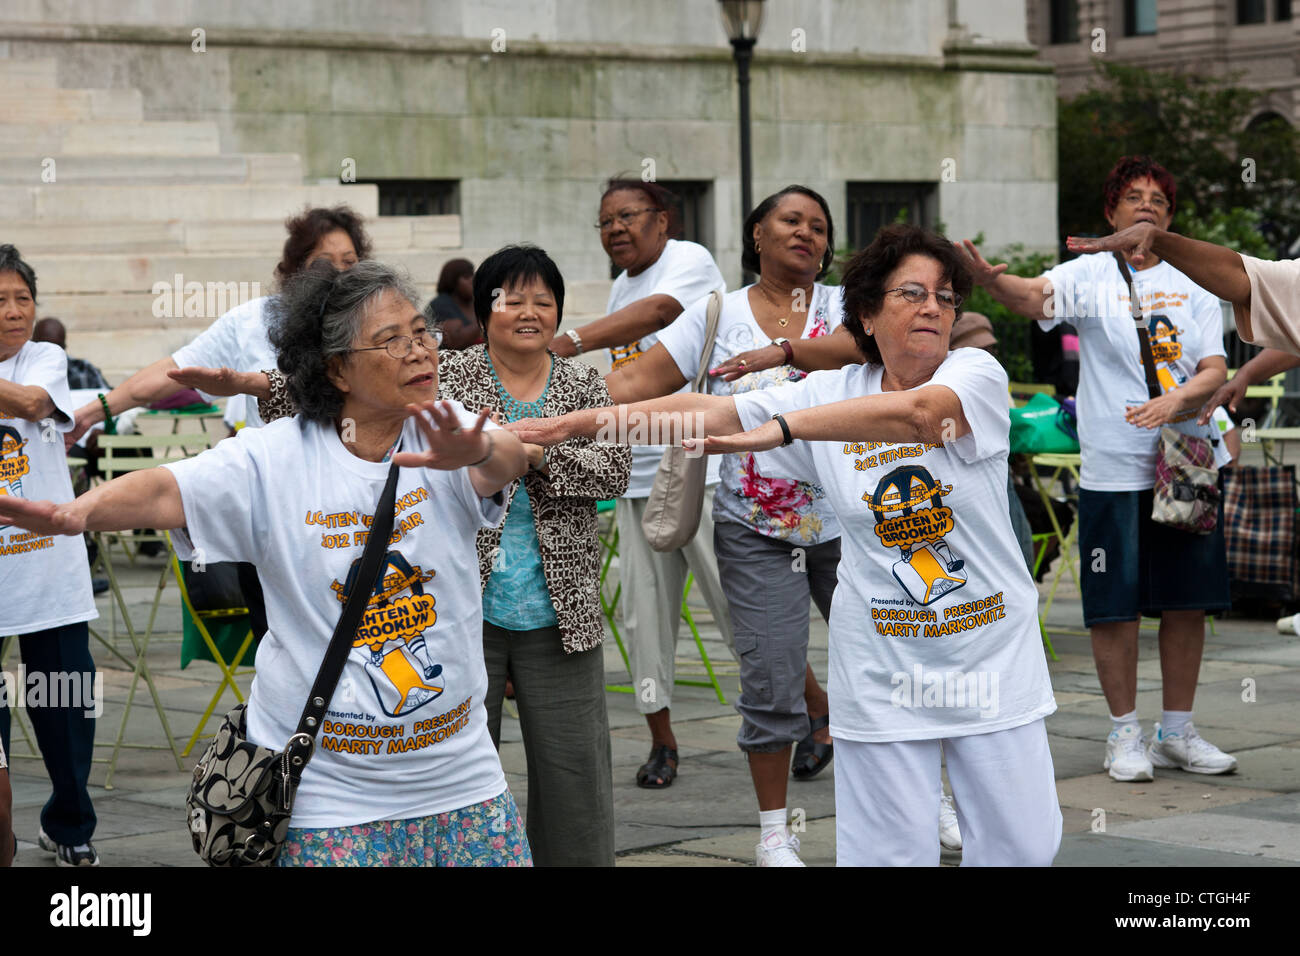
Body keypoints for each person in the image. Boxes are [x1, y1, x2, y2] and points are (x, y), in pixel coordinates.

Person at [512, 224, 1062, 866]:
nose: (933, 307)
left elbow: (919, 415)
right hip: (882, 668)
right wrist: (574, 424)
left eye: (945, 296)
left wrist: (782, 428)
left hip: (988, 659)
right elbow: (708, 411)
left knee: (1022, 847)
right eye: (912, 292)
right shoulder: (835, 391)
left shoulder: (975, 373)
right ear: (867, 312)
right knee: (886, 854)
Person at [0, 259, 535, 867]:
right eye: (392, 340)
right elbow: (165, 488)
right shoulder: (274, 458)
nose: (419, 352)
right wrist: (75, 514)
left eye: (422, 333)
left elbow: (507, 460)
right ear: (336, 368)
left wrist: (485, 445)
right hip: (330, 798)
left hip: (463, 782)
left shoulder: (444, 429)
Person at [538, 184, 848, 865]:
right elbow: (640, 379)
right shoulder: (720, 313)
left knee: (891, 661)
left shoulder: (846, 308)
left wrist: (794, 353)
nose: (805, 233)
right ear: (757, 236)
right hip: (754, 525)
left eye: (818, 226)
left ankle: (933, 799)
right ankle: (774, 836)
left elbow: (879, 356)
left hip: (850, 520)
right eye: (789, 221)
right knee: (767, 677)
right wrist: (536, 392)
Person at [958, 156, 1236, 781]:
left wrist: (1180, 399)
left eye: (1159, 201)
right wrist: (992, 282)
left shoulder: (1194, 279)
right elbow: (1033, 296)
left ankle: (1178, 731)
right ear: (1110, 212)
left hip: (1185, 463)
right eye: (1133, 197)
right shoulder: (1087, 275)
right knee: (1114, 604)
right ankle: (1124, 735)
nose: (1147, 207)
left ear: (1170, 217)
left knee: (1187, 602)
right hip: (1114, 468)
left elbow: (1216, 369)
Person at [549, 177, 735, 790]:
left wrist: (563, 344)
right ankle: (662, 742)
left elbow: (660, 315)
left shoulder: (690, 261)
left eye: (627, 216)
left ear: (663, 219)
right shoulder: (620, 284)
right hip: (639, 476)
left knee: (738, 608)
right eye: (604, 222)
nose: (615, 230)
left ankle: (808, 711)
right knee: (642, 620)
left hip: (700, 465)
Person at [65, 204, 370, 445]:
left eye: (349, 261)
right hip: (275, 487)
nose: (338, 273)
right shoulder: (255, 320)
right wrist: (90, 414)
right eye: (323, 262)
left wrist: (244, 383)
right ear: (296, 269)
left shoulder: (377, 322)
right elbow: (172, 374)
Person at [0, 244, 101, 866]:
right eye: (0, 301)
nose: (14, 312)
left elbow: (35, 405)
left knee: (64, 707)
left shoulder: (46, 359)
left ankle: (69, 826)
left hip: (47, 574)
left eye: (22, 299)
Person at [426, 258, 481, 350]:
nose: (473, 281)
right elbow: (455, 341)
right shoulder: (440, 304)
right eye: (467, 277)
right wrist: (487, 320)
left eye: (473, 276)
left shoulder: (475, 302)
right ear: (452, 281)